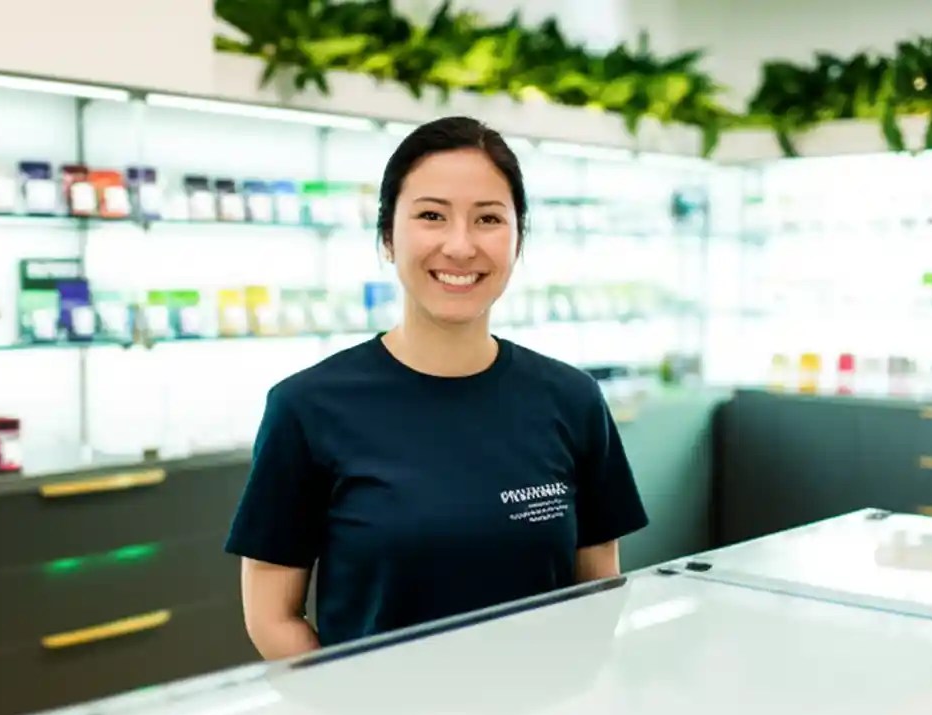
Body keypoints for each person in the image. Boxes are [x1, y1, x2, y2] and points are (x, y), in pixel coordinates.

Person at [224, 115, 648, 661]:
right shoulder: (307, 407)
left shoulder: (573, 399)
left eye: (489, 219)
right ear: (386, 237)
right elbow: (271, 616)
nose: (460, 246)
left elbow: (598, 592)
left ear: (518, 241)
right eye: (431, 215)